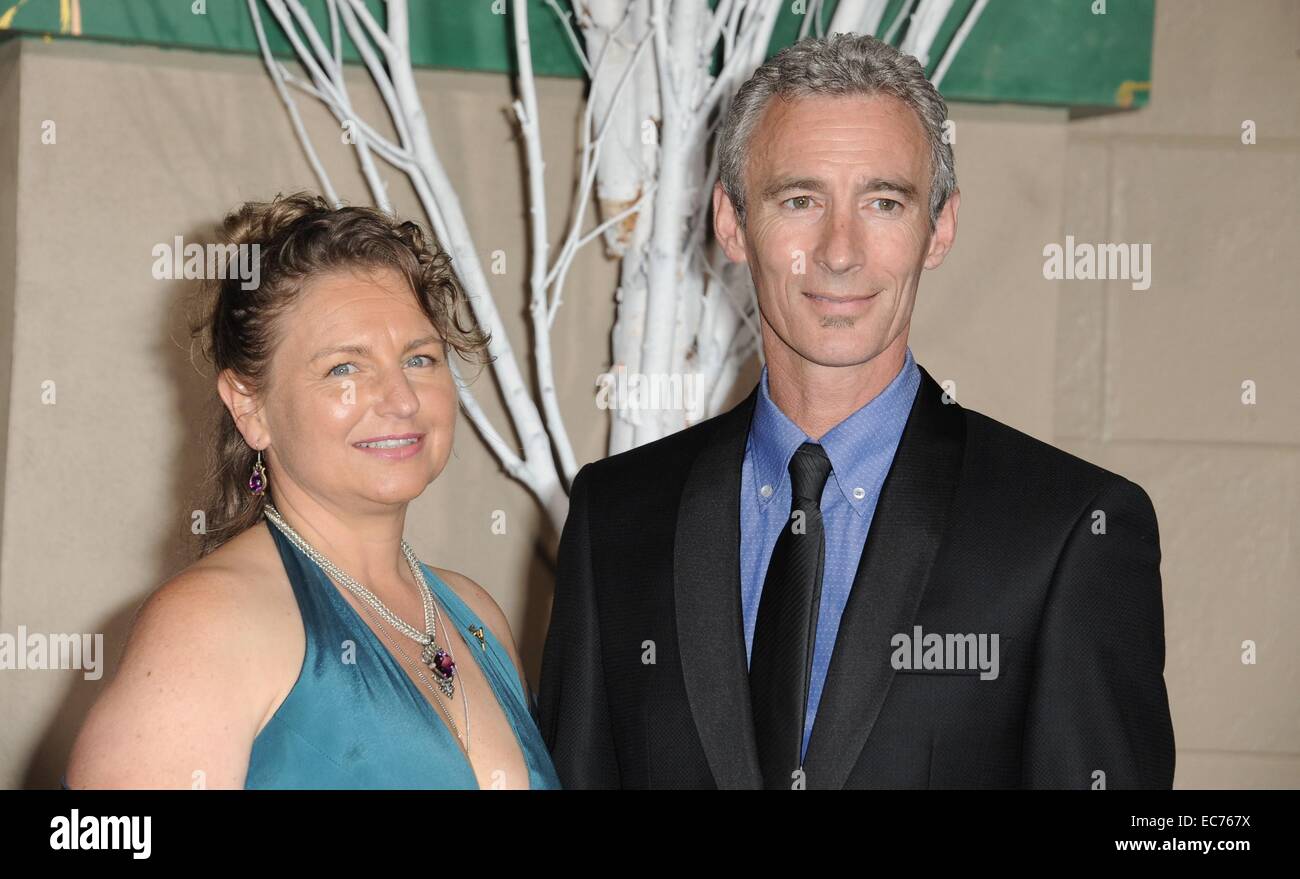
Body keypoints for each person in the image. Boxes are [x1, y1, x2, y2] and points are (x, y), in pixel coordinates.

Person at [538, 34, 1175, 789]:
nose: (839, 252)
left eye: (883, 202)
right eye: (800, 200)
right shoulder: (615, 517)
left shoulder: (1070, 531)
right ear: (733, 224)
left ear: (938, 228)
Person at [66, 193, 560, 789]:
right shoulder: (211, 623)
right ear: (250, 407)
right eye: (344, 368)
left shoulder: (475, 614)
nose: (401, 399)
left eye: (421, 358)